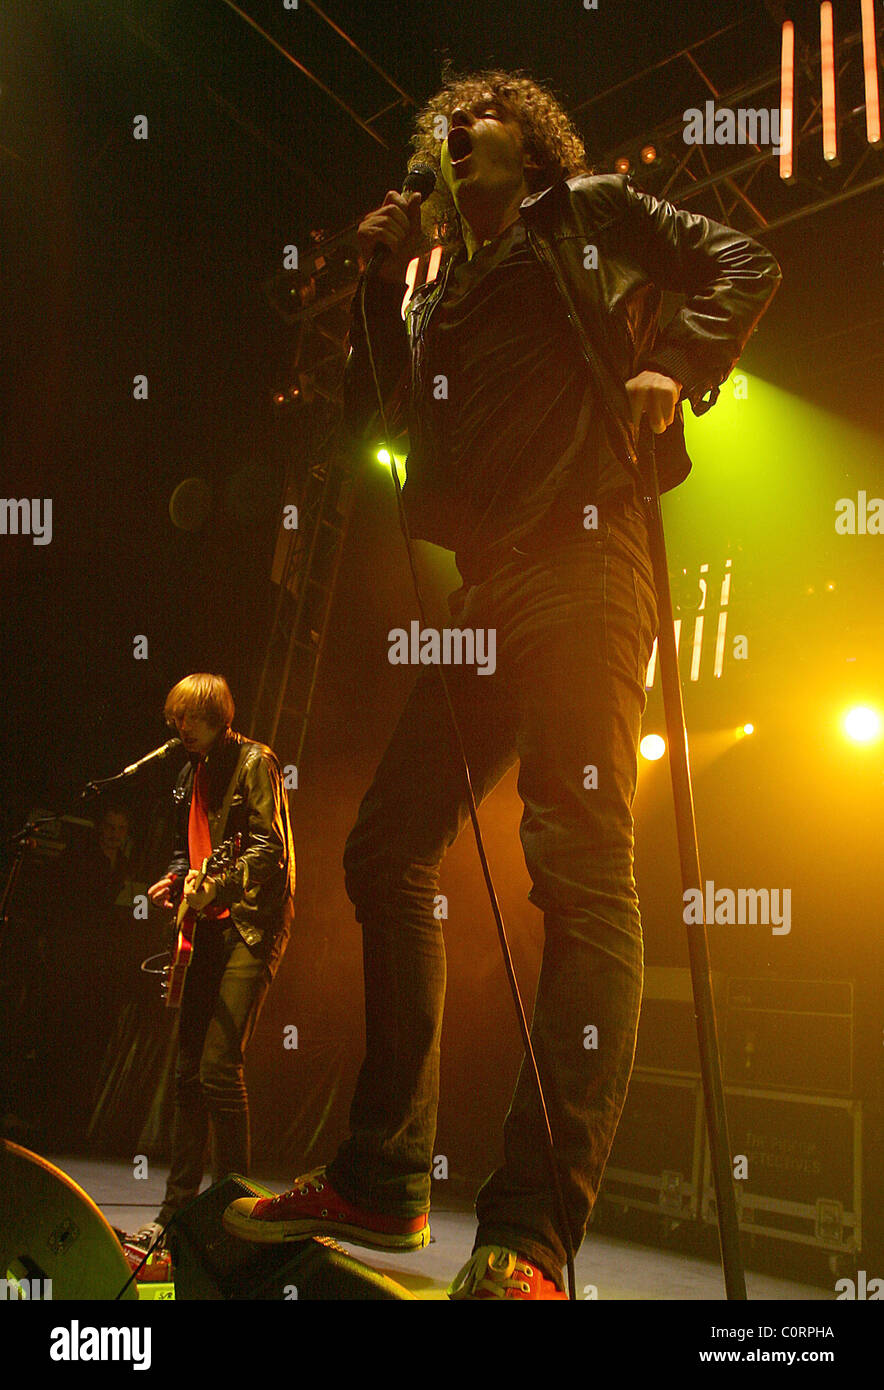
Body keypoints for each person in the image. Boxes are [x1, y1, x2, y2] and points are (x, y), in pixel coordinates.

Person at [222, 69, 781, 1298]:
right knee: (385, 850)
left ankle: (533, 1233)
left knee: (576, 866)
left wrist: (674, 363)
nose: (441, 154)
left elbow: (741, 257)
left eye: (462, 139)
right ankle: (385, 1174)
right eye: (434, 146)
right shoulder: (447, 290)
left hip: (586, 563)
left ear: (524, 150)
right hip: (490, 587)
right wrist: (379, 280)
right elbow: (391, 414)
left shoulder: (580, 212)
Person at [135, 673, 295, 1247]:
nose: (180, 729)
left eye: (190, 719)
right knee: (185, 1075)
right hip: (206, 929)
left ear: (218, 716)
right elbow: (192, 847)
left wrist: (217, 889)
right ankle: (176, 1212)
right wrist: (178, 881)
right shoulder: (188, 772)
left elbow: (268, 848)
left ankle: (239, 1213)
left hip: (251, 926)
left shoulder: (256, 762)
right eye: (175, 719)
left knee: (219, 1070)